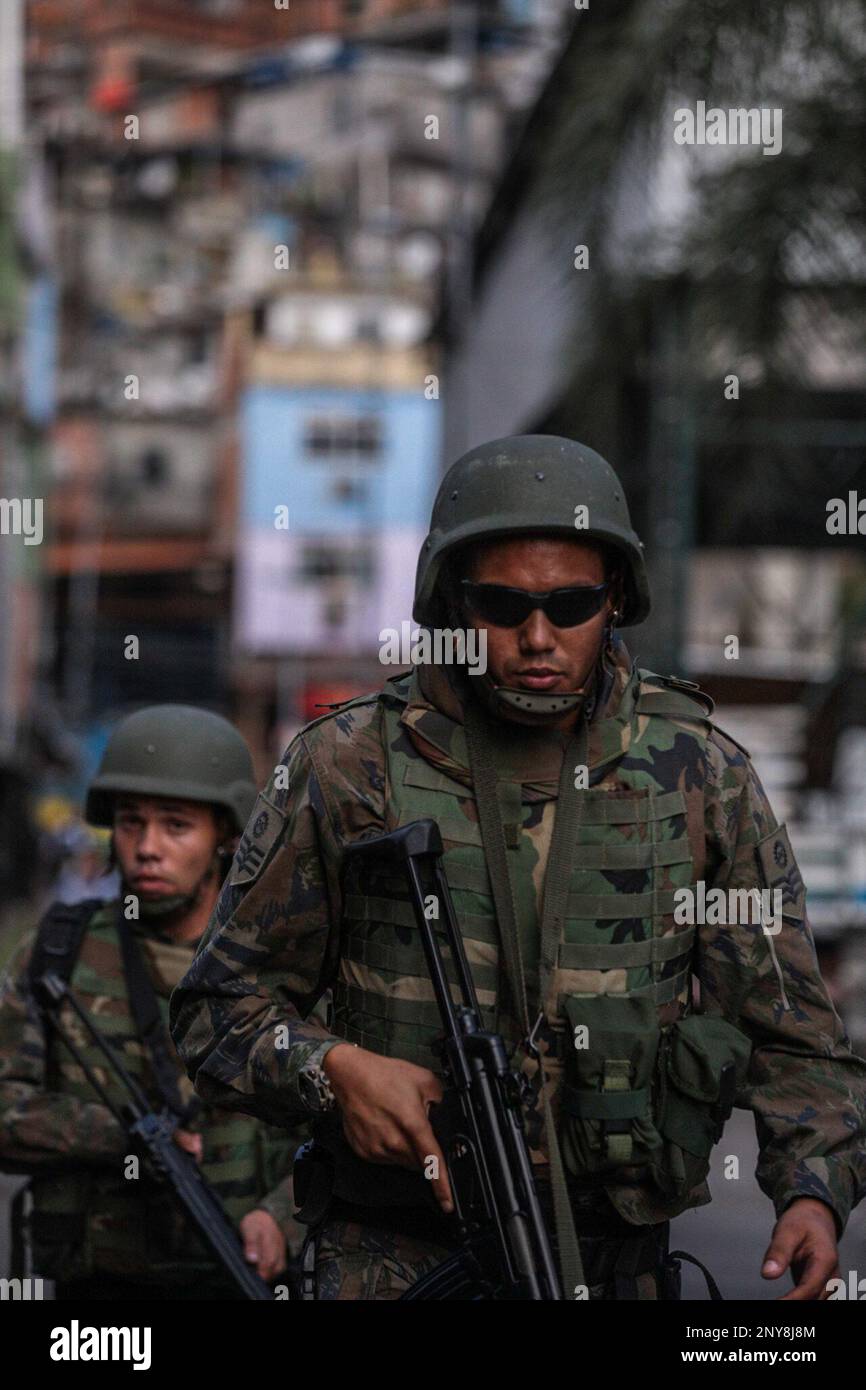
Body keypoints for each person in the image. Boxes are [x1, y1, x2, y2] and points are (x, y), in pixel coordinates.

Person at [171, 435, 866, 1301]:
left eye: (571, 604)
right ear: (452, 601)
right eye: (502, 606)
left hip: (609, 1269)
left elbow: (794, 1036)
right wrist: (335, 1068)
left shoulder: (702, 776)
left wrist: (813, 1192)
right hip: (393, 1261)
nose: (538, 639)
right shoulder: (348, 764)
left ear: (615, 598)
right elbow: (214, 1015)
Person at [0, 704, 303, 1300]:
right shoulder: (58, 955)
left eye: (176, 825)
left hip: (240, 1278)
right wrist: (118, 1136)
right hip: (100, 1292)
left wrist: (280, 1218)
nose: (147, 847)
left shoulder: (282, 963)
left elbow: (334, 1122)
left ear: (226, 837)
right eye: (131, 823)